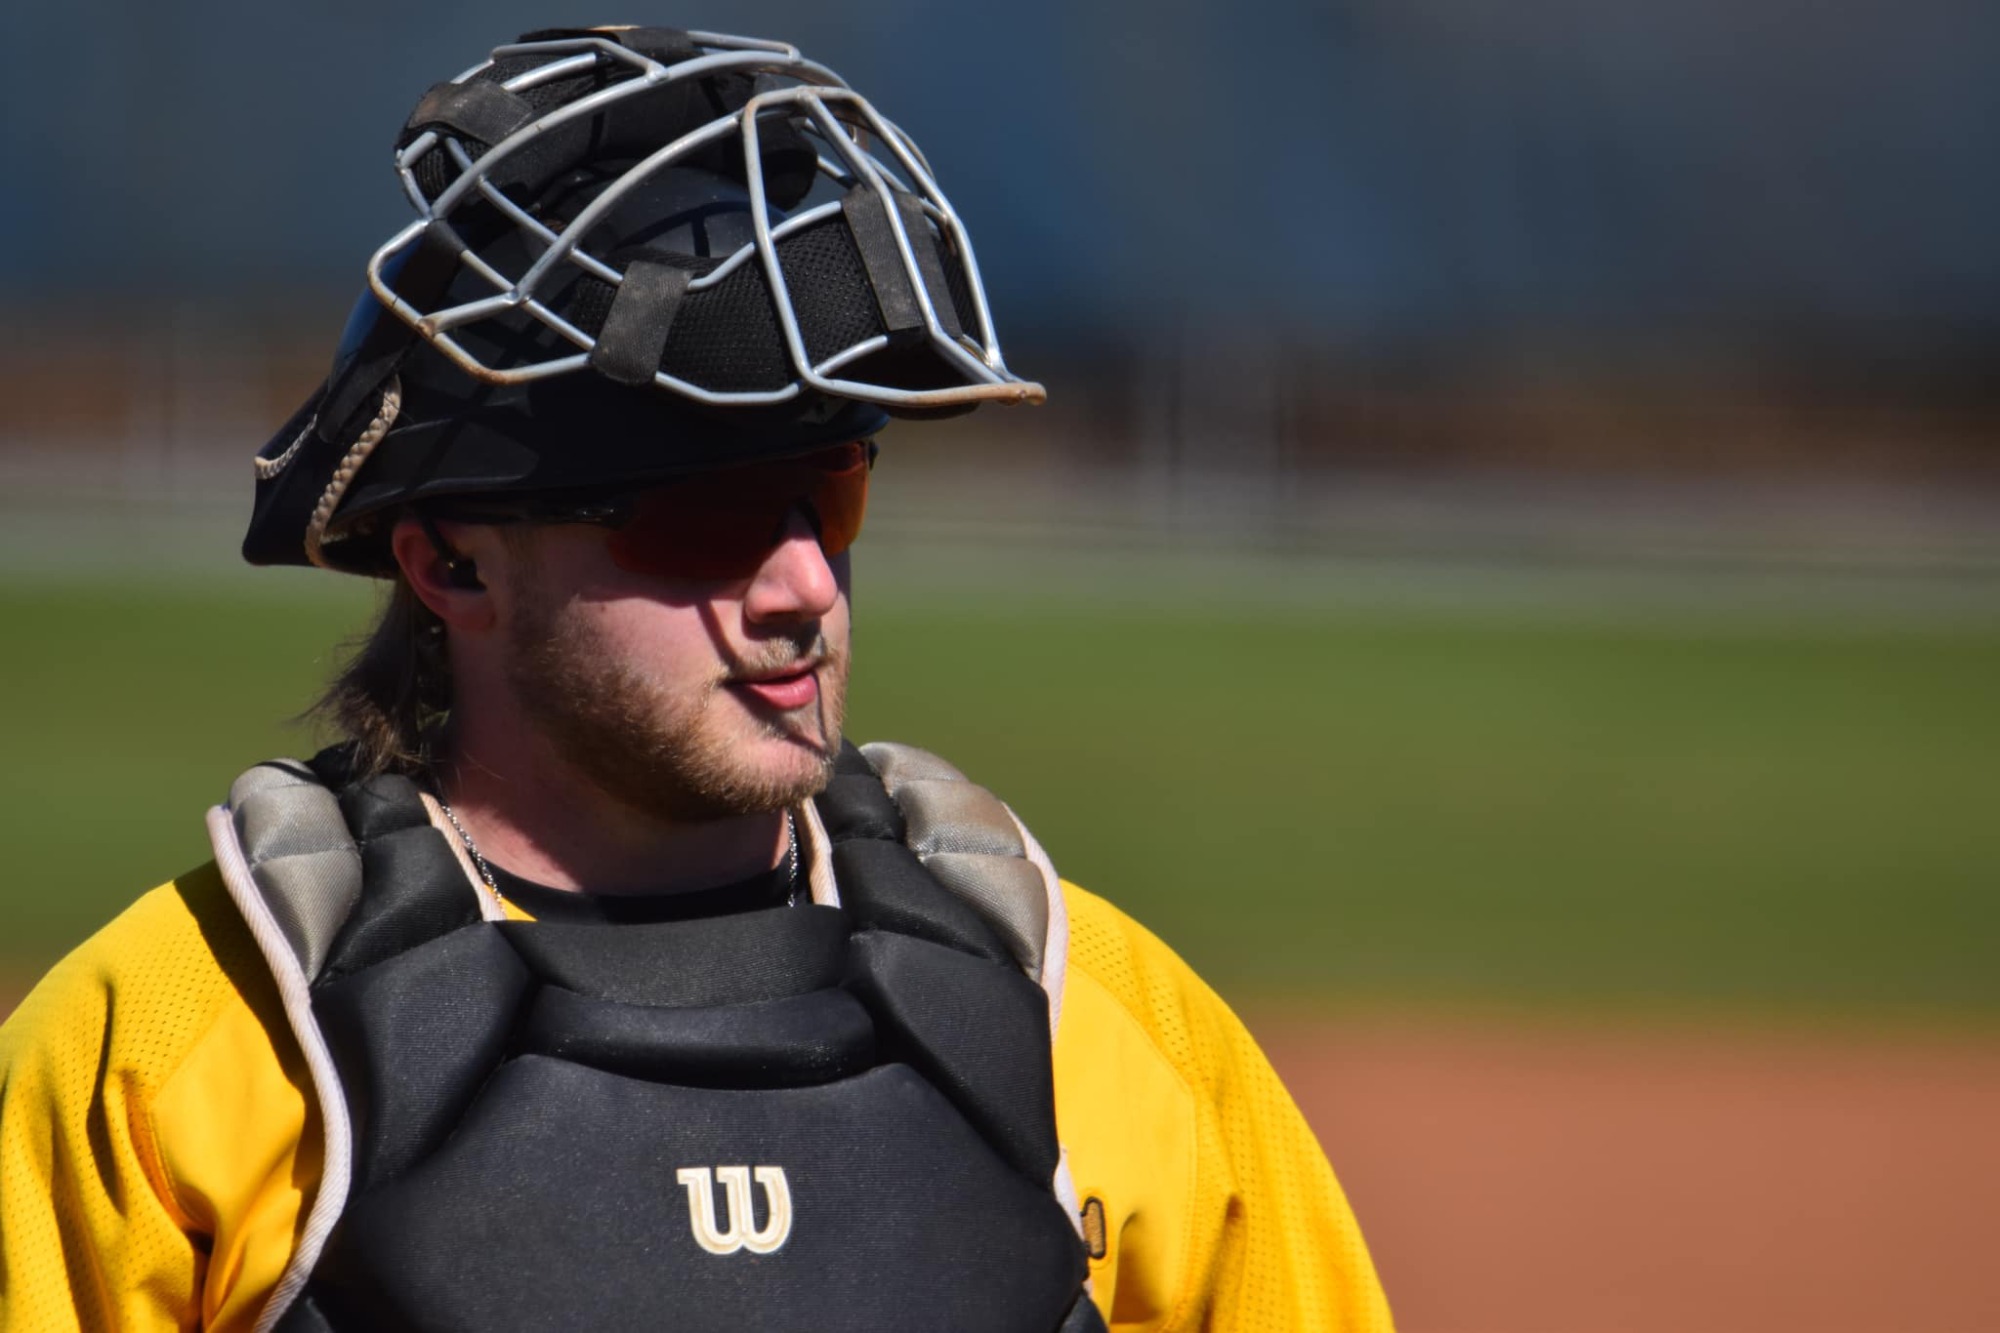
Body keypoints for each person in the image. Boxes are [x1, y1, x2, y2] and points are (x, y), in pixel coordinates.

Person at [0, 26, 1392, 1333]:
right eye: (702, 510)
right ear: (452, 564)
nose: (803, 587)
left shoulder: (1089, 1016)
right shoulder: (181, 1047)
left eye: (832, 484)